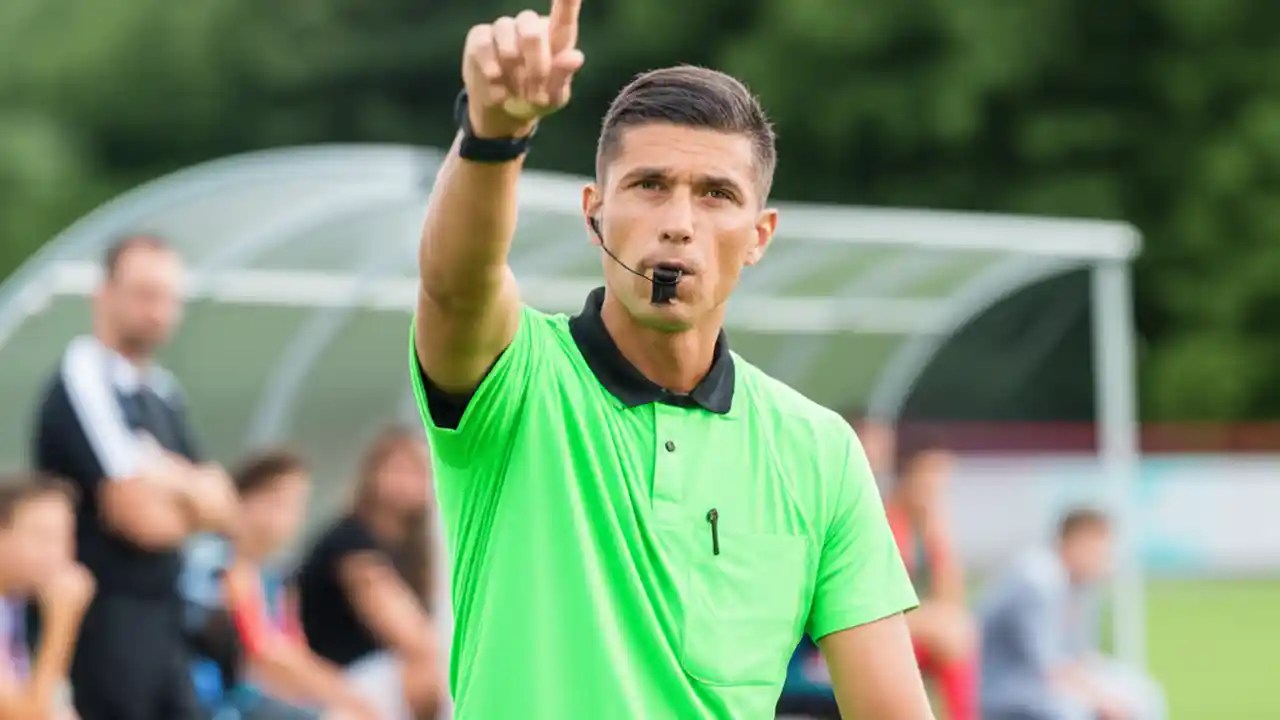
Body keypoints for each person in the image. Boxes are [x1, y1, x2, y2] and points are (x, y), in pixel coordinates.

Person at [407, 2, 930, 718]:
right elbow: (456, 286)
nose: (679, 223)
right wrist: (495, 132)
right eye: (649, 185)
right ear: (595, 213)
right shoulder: (516, 379)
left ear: (759, 235)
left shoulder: (818, 451)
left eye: (717, 195)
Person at [32, 234, 239, 720]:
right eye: (144, 294)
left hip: (164, 617)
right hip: (106, 622)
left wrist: (169, 477)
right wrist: (193, 494)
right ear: (103, 294)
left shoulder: (161, 391)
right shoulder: (83, 376)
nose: (158, 311)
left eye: (169, 298)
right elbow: (143, 520)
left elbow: (227, 508)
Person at [182, 451, 378, 720]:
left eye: (296, 505)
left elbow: (293, 652)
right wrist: (343, 696)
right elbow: (260, 655)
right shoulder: (217, 562)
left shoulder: (275, 579)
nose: (286, 516)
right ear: (242, 497)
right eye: (277, 500)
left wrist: (350, 697)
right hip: (220, 699)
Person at [297, 428, 440, 720]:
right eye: (399, 470)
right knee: (428, 676)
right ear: (374, 474)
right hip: (336, 675)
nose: (409, 483)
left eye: (419, 473)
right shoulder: (351, 541)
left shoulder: (416, 549)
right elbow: (410, 636)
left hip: (373, 675)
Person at [979, 509, 1167, 720]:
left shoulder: (1077, 582)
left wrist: (1102, 692)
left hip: (1041, 681)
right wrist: (1101, 699)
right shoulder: (1036, 582)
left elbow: (1079, 655)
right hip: (1006, 685)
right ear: (1076, 544)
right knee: (1073, 711)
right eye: (1099, 553)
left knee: (1143, 694)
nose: (1104, 562)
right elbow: (1048, 667)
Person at [886, 435, 980, 720]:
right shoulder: (885, 521)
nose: (936, 489)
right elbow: (883, 604)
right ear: (908, 477)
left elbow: (952, 601)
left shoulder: (928, 528)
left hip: (913, 636)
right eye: (930, 478)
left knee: (957, 633)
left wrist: (937, 537)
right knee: (954, 633)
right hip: (877, 631)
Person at [0, 473, 93, 720]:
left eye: (65, 537)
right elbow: (25, 716)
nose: (58, 553)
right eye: (43, 537)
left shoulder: (16, 605)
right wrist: (63, 621)